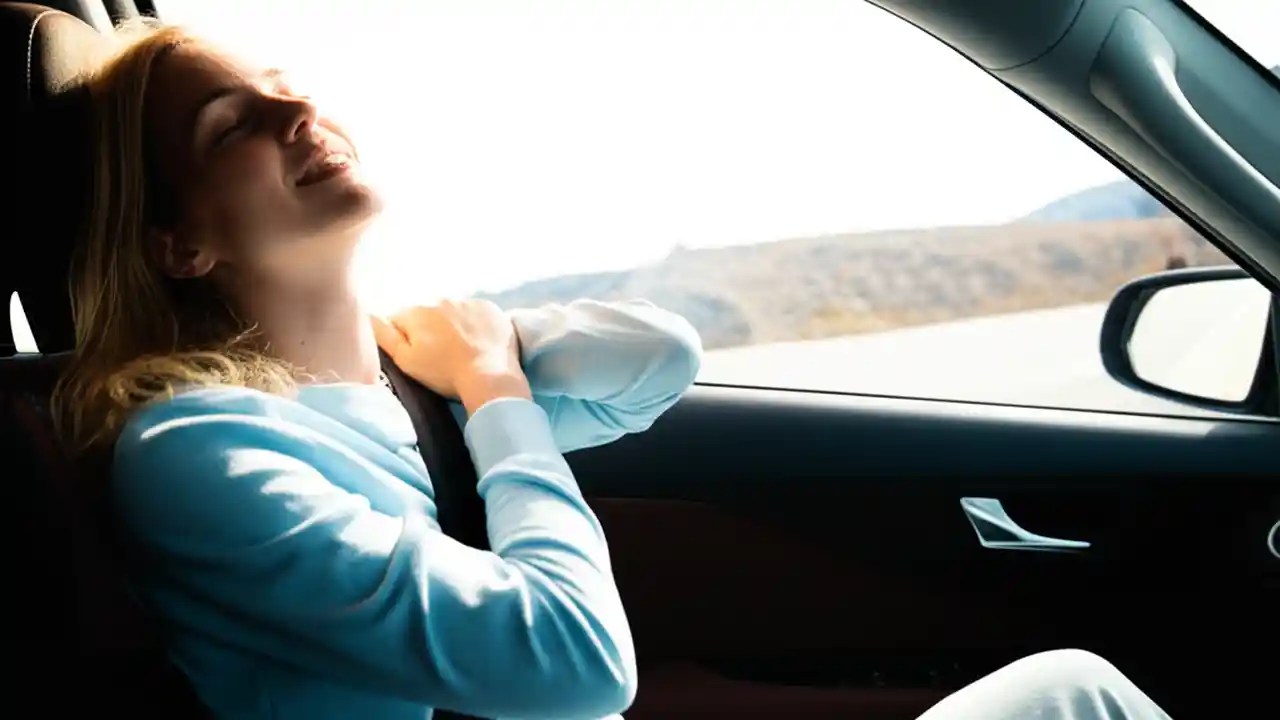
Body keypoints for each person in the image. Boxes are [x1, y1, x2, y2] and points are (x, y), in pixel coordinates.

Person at [52, 19, 1173, 720]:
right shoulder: (198, 450)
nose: (298, 107)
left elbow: (655, 359)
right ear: (177, 245)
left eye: (286, 82)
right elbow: (575, 666)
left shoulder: (401, 388)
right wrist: (496, 401)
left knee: (1074, 684)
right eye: (230, 124)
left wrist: (485, 356)